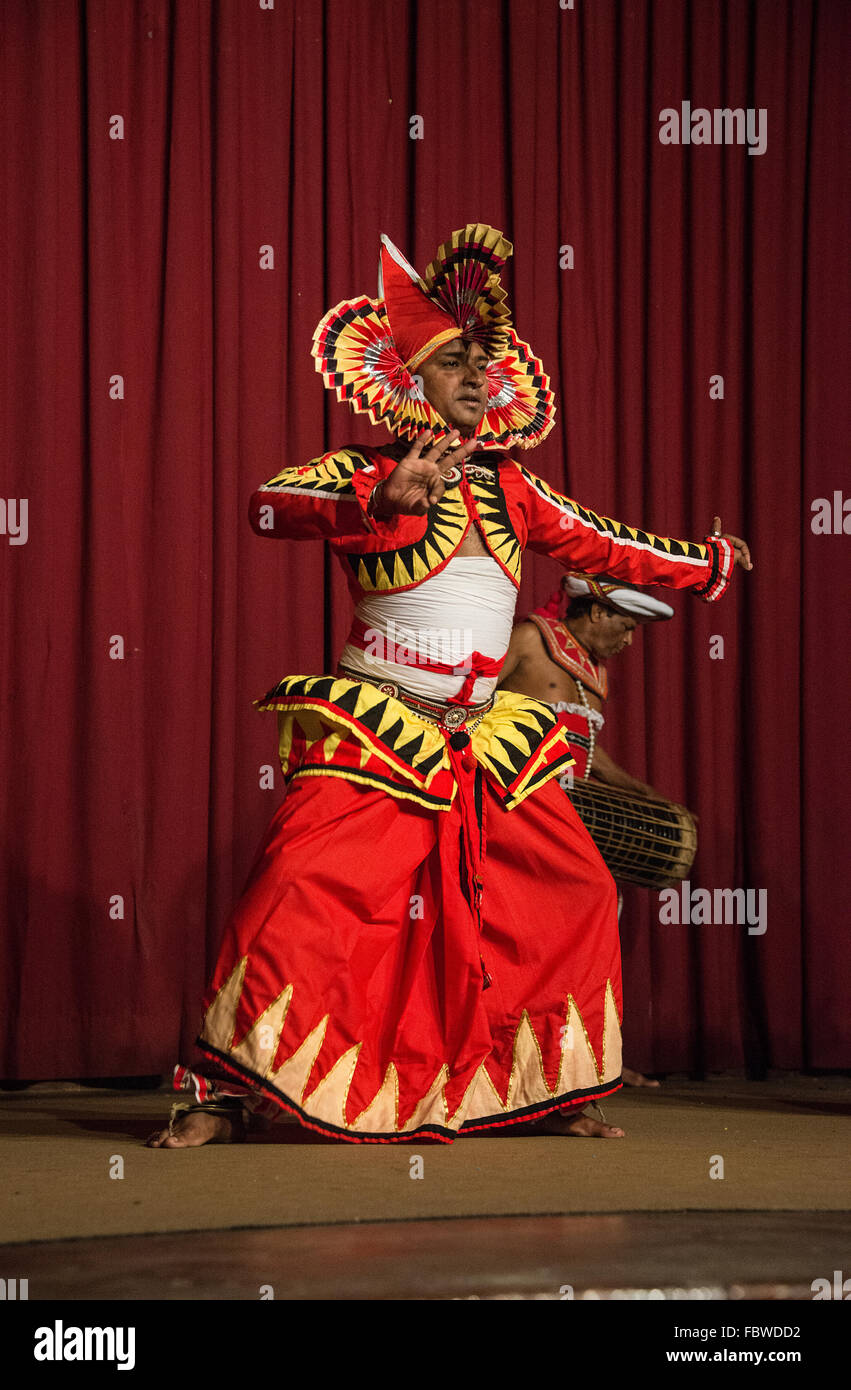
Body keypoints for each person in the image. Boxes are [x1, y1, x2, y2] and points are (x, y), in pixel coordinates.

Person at [148, 224, 751, 1149]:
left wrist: (701, 560)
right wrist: (371, 504)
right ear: (404, 380)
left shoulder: (516, 491)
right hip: (379, 728)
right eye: (456, 363)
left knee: (570, 888)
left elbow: (609, 543)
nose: (479, 378)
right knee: (297, 892)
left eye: (485, 364)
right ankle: (217, 1091)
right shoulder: (362, 472)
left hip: (483, 736)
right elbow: (267, 505)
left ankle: (547, 1087)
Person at [498, 573, 685, 1087]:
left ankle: (590, 1057)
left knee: (599, 923)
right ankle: (511, 1058)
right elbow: (472, 703)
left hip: (575, 816)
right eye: (624, 627)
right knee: (536, 931)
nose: (628, 640)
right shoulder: (529, 639)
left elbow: (586, 750)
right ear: (596, 612)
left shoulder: (594, 672)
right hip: (521, 812)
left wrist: (641, 791)